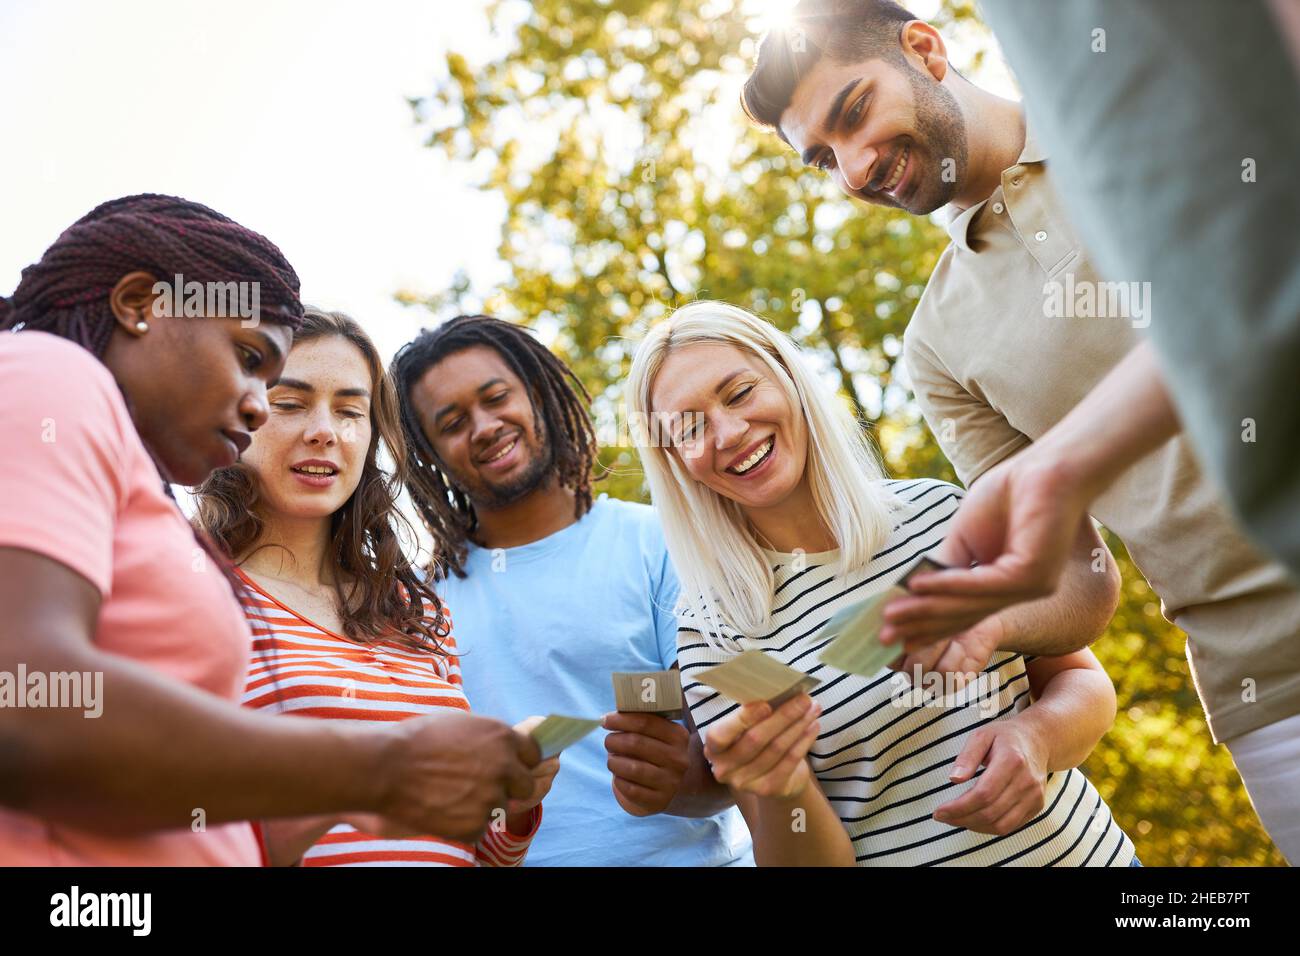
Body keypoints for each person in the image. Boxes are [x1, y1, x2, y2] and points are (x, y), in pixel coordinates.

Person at [740, 0, 1300, 861]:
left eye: (853, 113)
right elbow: (1081, 576)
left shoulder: (1142, 106)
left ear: (925, 49)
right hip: (1272, 690)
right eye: (821, 158)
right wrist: (995, 621)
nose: (851, 170)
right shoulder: (938, 347)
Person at [0, 195, 538, 865]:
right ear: (139, 303)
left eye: (350, 411)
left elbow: (235, 831)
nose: (256, 406)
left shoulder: (161, 523)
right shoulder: (49, 374)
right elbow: (23, 705)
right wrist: (380, 765)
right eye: (251, 359)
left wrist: (470, 797)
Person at [625, 300, 1136, 865]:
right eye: (690, 428)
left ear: (789, 379)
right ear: (675, 460)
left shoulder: (945, 515)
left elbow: (1083, 684)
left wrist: (1038, 738)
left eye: (741, 393)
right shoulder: (715, 632)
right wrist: (779, 783)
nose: (728, 432)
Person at [194, 307, 557, 866]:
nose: (324, 431)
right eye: (289, 404)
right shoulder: (193, 589)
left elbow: (478, 853)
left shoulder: (413, 609)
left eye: (349, 411)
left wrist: (515, 807)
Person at [392, 314, 752, 866]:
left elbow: (739, 754)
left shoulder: (659, 543)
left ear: (536, 393)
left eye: (496, 397)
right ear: (430, 453)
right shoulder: (412, 605)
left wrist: (682, 783)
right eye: (452, 422)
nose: (484, 426)